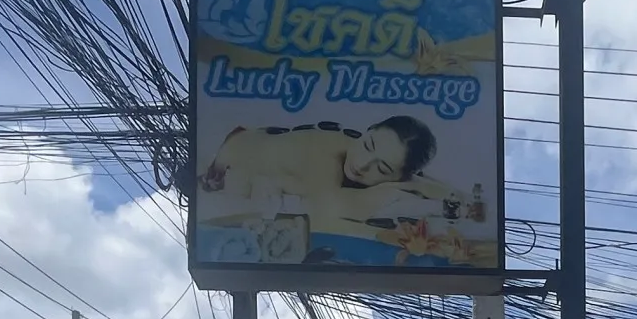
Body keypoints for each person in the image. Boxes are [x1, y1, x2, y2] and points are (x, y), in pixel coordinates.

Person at [197, 113, 466, 249]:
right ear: (367, 131)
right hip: (227, 158)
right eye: (368, 145)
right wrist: (399, 187)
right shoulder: (326, 153)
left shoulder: (360, 158)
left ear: (400, 173)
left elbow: (446, 191)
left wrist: (428, 188)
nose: (362, 164)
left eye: (381, 168)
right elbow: (335, 210)